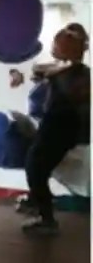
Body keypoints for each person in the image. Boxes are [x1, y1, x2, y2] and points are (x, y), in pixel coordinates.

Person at [15, 22, 89, 236]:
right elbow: (37, 71)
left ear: (67, 48)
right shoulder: (60, 69)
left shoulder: (81, 75)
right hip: (54, 124)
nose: (53, 48)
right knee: (35, 165)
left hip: (63, 127)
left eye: (57, 45)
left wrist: (58, 71)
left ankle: (46, 219)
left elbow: (75, 93)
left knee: (36, 168)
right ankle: (37, 202)